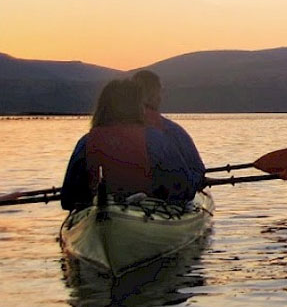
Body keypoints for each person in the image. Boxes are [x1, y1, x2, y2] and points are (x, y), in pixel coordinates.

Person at [60, 78, 197, 210]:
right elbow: (186, 190)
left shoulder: (86, 142)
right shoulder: (157, 140)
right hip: (149, 213)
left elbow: (67, 200)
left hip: (98, 211)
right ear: (138, 106)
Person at [132, 69, 206, 194]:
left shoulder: (107, 130)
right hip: (164, 199)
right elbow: (197, 170)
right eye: (160, 92)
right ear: (155, 95)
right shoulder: (170, 132)